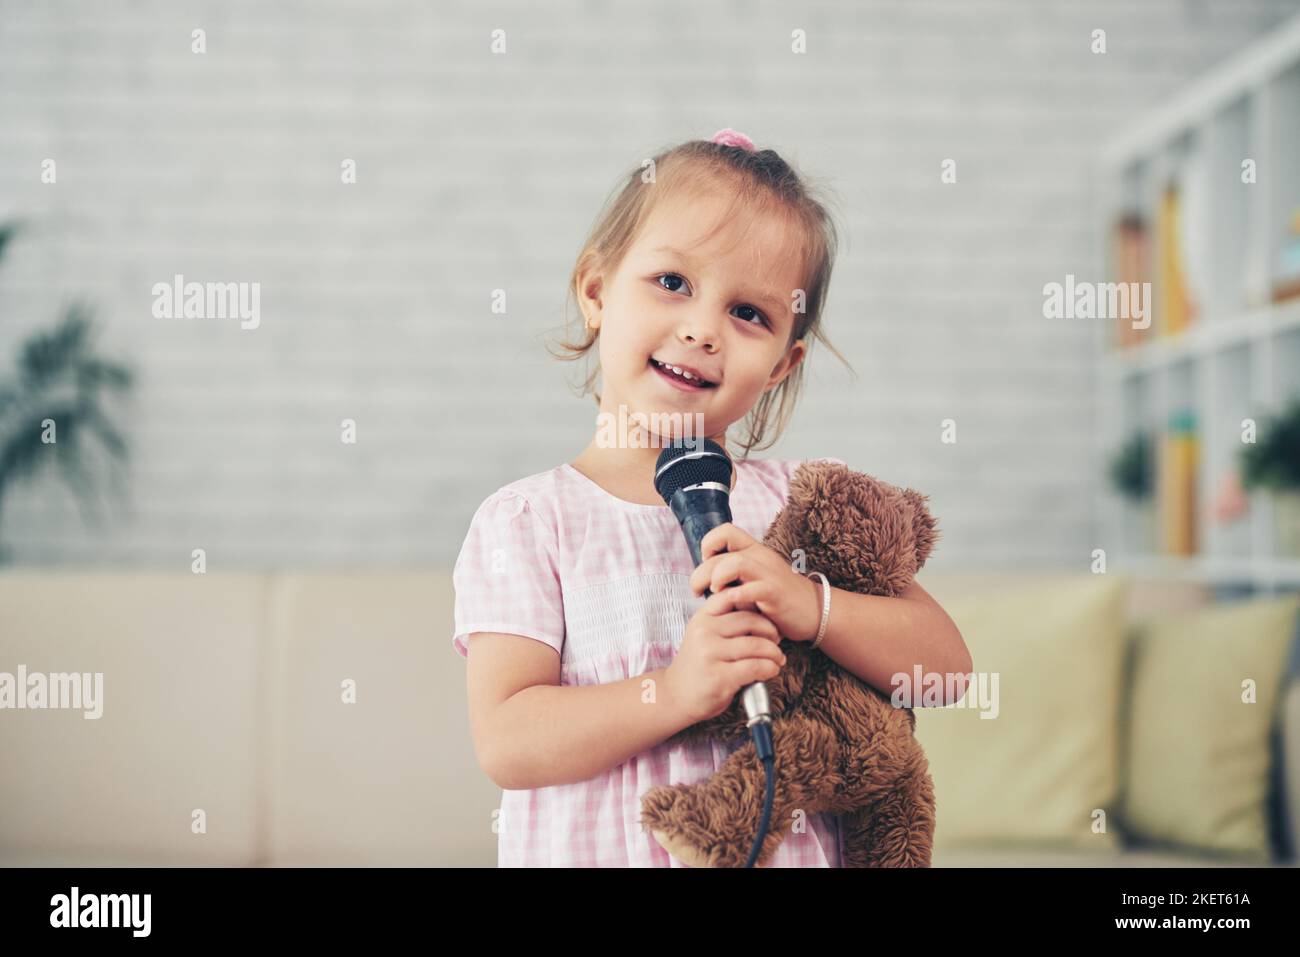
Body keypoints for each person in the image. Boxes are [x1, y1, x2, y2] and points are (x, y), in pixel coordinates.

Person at [451, 128, 970, 866]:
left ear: (784, 363)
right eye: (673, 283)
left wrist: (811, 604)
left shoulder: (801, 502)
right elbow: (508, 740)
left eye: (749, 313)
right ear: (596, 290)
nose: (702, 329)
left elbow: (946, 670)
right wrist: (675, 690)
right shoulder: (530, 522)